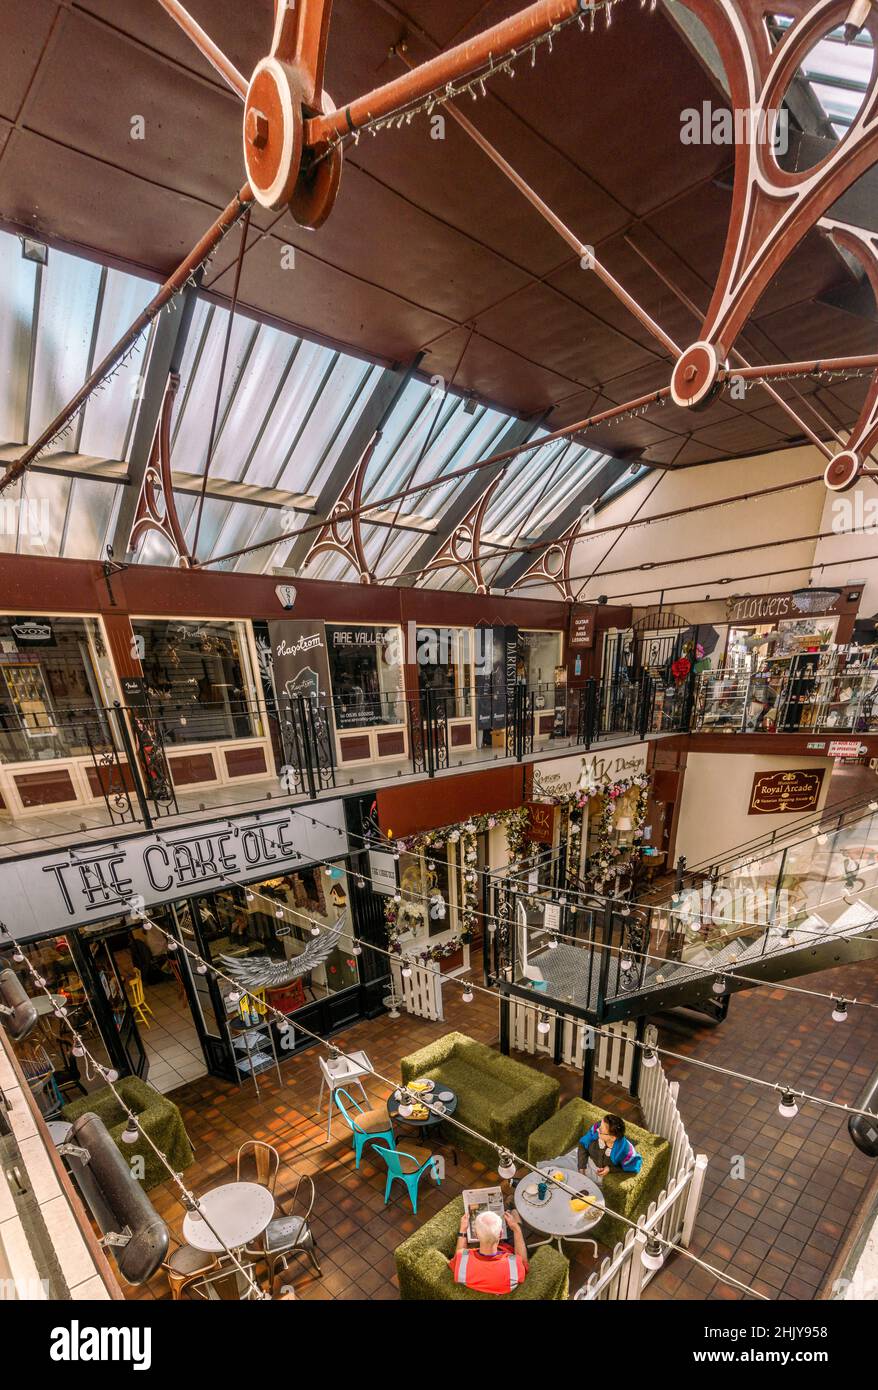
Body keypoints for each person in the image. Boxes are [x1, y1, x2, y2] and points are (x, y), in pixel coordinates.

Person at [449, 1208, 529, 1295]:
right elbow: (523, 1262)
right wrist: (516, 1228)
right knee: (514, 1212)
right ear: (501, 1234)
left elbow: (460, 1255)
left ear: (475, 1235)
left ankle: (508, 1206)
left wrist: (463, 1230)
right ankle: (511, 1207)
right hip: (508, 1246)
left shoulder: (462, 1262)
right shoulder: (513, 1266)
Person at [577, 1113, 642, 1179]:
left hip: (601, 1176)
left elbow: (633, 1166)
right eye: (600, 1125)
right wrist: (581, 1167)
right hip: (584, 1161)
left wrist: (610, 1169)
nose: (597, 1129)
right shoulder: (596, 1128)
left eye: (601, 1129)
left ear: (613, 1138)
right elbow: (582, 1144)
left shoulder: (625, 1151)